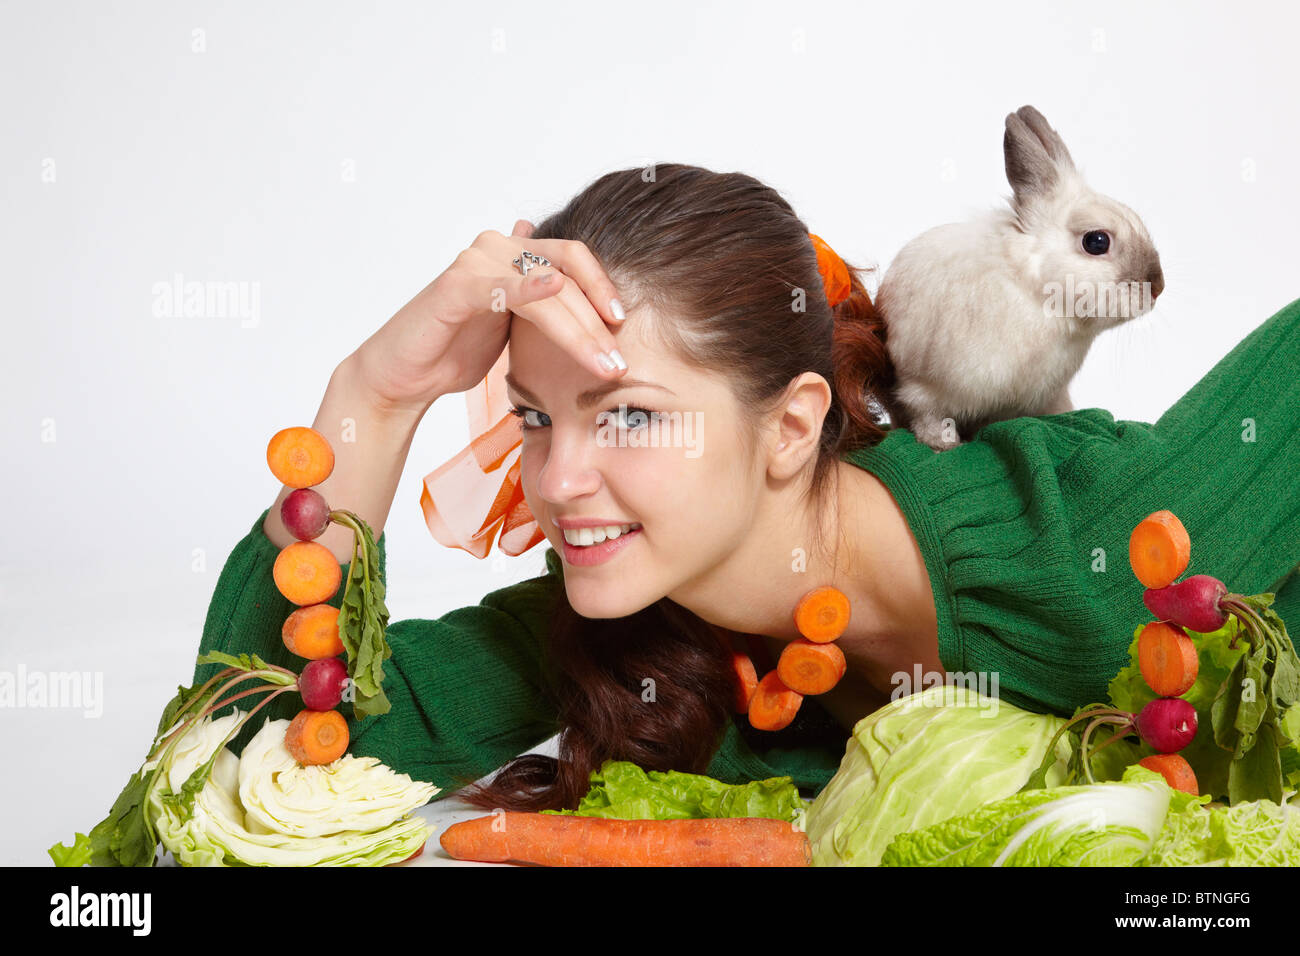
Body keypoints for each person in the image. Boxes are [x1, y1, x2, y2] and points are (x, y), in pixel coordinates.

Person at [195, 163, 1300, 812]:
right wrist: (375, 396)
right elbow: (253, 747)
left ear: (790, 427)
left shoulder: (1105, 552)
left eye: (627, 412)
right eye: (536, 415)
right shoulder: (639, 639)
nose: (558, 478)